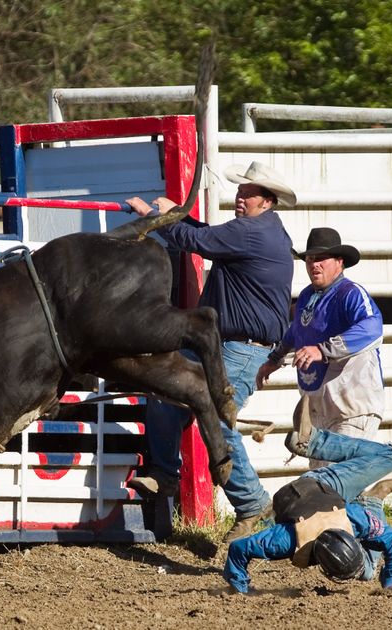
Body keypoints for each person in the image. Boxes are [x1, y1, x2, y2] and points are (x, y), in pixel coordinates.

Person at [124, 161, 296, 541]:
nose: (240, 197)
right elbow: (208, 236)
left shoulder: (253, 233)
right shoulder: (260, 230)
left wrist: (155, 216)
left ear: (266, 202)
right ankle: (165, 475)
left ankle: (252, 504)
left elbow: (198, 241)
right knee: (163, 390)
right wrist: (171, 215)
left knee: (217, 420)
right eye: (240, 191)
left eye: (248, 193)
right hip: (224, 346)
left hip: (239, 349)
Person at [223, 406, 392, 595]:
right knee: (366, 572)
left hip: (324, 486)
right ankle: (371, 501)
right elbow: (239, 547)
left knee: (365, 570)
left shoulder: (352, 518)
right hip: (312, 489)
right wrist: (238, 589)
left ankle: (312, 441)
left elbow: (390, 539)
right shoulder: (286, 540)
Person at [256, 227, 386, 466]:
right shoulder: (307, 296)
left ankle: (365, 505)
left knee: (335, 481)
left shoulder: (351, 293)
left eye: (321, 259)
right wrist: (274, 359)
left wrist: (323, 349)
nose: (314, 265)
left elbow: (372, 327)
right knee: (321, 483)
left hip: (352, 407)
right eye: (310, 259)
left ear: (339, 262)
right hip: (320, 408)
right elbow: (297, 330)